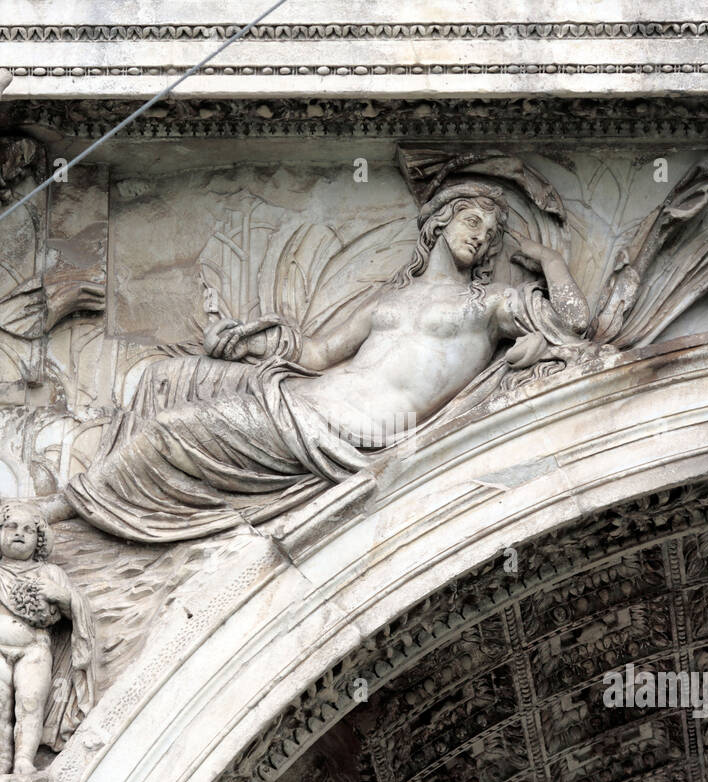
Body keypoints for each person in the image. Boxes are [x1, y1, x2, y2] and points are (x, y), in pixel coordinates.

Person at [31, 181, 590, 544]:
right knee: (169, 378)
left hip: (349, 429)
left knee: (170, 432)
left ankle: (70, 508)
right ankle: (96, 494)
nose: (483, 237)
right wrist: (247, 342)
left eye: (491, 235)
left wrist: (552, 261)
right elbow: (317, 353)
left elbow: (572, 322)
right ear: (439, 223)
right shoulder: (387, 299)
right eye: (472, 223)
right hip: (307, 397)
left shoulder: (487, 304)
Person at [0, 501, 96, 774]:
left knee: (30, 703)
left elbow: (75, 611)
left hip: (34, 646)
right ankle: (1, 761)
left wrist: (59, 595)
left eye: (28, 529)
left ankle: (24, 759)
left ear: (39, 539)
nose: (19, 533)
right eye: (11, 527)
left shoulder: (51, 573)